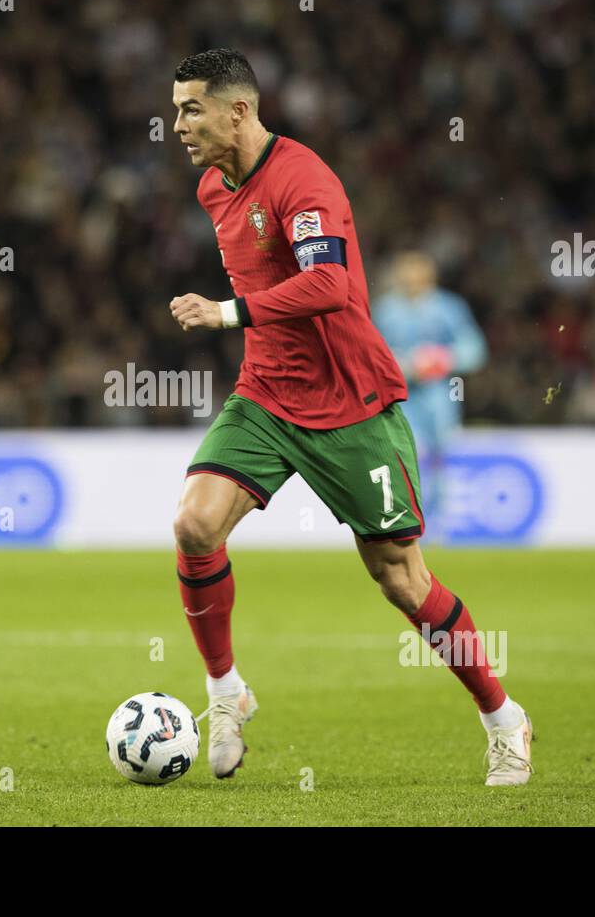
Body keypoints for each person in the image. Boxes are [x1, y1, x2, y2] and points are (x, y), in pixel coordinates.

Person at [167, 49, 532, 785]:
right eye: (176, 108)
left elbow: (329, 283)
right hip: (267, 394)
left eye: (190, 109)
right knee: (194, 525)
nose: (176, 124)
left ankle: (501, 715)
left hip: (351, 403)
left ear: (239, 110)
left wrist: (228, 311)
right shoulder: (214, 187)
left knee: (401, 580)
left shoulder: (304, 180)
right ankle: (225, 691)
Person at [372, 251, 488, 531]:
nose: (411, 284)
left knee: (440, 455)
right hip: (401, 395)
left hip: (440, 395)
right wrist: (398, 363)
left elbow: (475, 349)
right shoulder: (386, 310)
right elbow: (370, 353)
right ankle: (407, 517)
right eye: (406, 279)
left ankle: (439, 522)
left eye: (417, 279)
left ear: (429, 279)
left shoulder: (449, 308)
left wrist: (443, 359)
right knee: (404, 457)